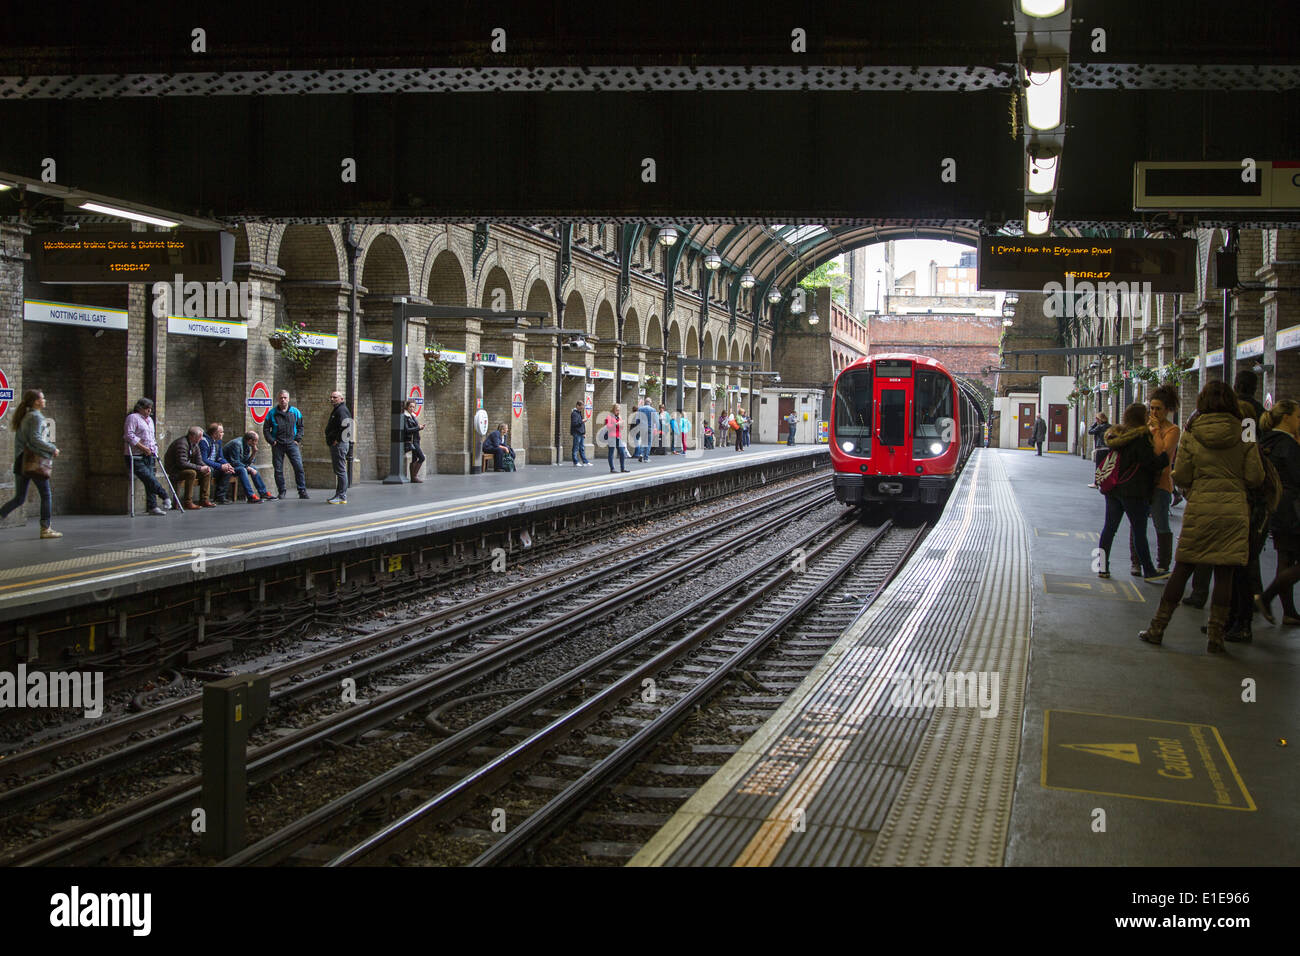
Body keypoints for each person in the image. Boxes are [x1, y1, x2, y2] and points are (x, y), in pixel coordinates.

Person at [1138, 381, 1266, 654]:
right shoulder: (1246, 430)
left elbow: (1181, 474)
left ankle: (1157, 629)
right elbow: (1256, 476)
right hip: (1234, 510)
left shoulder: (1192, 430)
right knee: (1224, 572)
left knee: (1183, 568)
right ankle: (1216, 638)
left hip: (1200, 507)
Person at [1096, 403, 1168, 583]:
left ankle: (1103, 567)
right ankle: (1149, 570)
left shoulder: (1117, 435)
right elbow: (1150, 462)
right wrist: (1165, 458)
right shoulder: (1141, 437)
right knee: (1139, 531)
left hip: (1113, 489)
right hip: (1134, 491)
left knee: (1109, 528)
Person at [1256, 400, 1300, 626]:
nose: (1299, 421)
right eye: (1298, 417)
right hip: (1293, 509)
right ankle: (1266, 597)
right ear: (1286, 417)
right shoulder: (1288, 445)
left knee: (1285, 558)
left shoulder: (1267, 441)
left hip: (1276, 507)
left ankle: (1290, 612)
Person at [1127, 388, 1180, 575]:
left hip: (1161, 483)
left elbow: (1160, 452)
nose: (1154, 412)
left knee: (1161, 523)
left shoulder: (1173, 430)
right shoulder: (1144, 427)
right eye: (1152, 408)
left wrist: (1155, 430)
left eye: (1158, 409)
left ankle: (1163, 563)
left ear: (1167, 410)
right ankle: (1136, 561)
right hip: (1142, 482)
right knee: (1137, 523)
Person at [0, 389, 62, 538]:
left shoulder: (26, 416)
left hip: (21, 462)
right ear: (36, 401)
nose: (44, 400)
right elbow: (35, 439)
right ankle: (45, 528)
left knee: (20, 498)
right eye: (42, 398)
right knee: (46, 495)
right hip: (33, 463)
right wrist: (52, 448)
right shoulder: (36, 417)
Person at [124, 397, 171, 516]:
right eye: (146, 408)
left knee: (149, 479)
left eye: (150, 409)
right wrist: (142, 448)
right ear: (140, 408)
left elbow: (151, 437)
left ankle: (153, 506)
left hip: (149, 455)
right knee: (148, 478)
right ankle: (164, 495)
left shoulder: (150, 420)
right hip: (136, 455)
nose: (149, 411)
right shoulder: (133, 418)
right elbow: (129, 435)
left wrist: (154, 448)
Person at [263, 389, 308, 499]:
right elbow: (266, 429)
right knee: (278, 469)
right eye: (281, 398)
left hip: (292, 444)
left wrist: (297, 439)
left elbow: (301, 427)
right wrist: (271, 441)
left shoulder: (295, 412)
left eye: (285, 398)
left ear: (288, 399)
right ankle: (281, 491)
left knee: (299, 467)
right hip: (278, 444)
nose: (283, 400)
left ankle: (302, 490)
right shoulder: (272, 413)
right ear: (278, 399)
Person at [165, 426, 215, 509]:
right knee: (191, 473)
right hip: (175, 470)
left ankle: (204, 500)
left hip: (186, 468)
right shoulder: (182, 444)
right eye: (200, 437)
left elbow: (199, 461)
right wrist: (199, 468)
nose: (201, 439)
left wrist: (205, 467)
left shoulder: (195, 444)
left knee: (206, 472)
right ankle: (188, 502)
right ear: (192, 436)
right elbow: (181, 463)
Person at [223, 431, 269, 503]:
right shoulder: (237, 444)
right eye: (256, 441)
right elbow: (235, 462)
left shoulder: (247, 445)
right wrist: (248, 468)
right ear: (250, 440)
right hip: (228, 466)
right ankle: (250, 496)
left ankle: (263, 493)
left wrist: (254, 452)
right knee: (243, 470)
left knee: (254, 468)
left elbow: (247, 462)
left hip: (237, 466)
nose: (256, 443)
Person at [325, 390, 352, 504]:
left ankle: (342, 495)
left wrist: (337, 440)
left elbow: (346, 426)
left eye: (335, 397)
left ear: (341, 399)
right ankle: (339, 494)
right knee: (339, 470)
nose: (332, 399)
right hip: (338, 444)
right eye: (331, 397)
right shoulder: (338, 410)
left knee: (340, 470)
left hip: (339, 445)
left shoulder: (341, 410)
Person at [200, 423, 237, 504]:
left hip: (214, 465)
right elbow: (204, 459)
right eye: (221, 432)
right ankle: (204, 498)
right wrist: (220, 466)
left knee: (227, 471)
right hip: (204, 466)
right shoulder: (203, 441)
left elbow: (220, 457)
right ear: (215, 433)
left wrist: (227, 465)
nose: (223, 434)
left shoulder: (218, 442)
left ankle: (220, 496)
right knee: (211, 470)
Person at [402, 400, 426, 482]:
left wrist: (420, 427)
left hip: (416, 440)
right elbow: (407, 430)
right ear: (407, 407)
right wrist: (418, 427)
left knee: (414, 459)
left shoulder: (412, 416)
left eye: (413, 407)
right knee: (422, 457)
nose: (412, 408)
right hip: (412, 441)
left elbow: (414, 428)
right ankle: (414, 476)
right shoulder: (405, 417)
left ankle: (413, 478)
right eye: (410, 406)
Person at [1086, 412, 1109, 488]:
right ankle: (1105, 482)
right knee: (1106, 466)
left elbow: (1090, 431)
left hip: (1101, 449)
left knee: (1098, 466)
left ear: (1099, 419)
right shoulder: (1110, 426)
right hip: (1108, 449)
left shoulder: (1100, 427)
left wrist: (1095, 424)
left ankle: (1096, 483)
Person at [604, 404, 628, 473]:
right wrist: (617, 424)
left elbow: (621, 428)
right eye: (617, 410)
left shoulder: (619, 417)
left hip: (618, 436)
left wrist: (621, 424)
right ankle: (612, 468)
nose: (618, 411)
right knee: (611, 452)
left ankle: (622, 468)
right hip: (611, 436)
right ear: (613, 409)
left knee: (622, 452)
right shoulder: (609, 417)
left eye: (619, 410)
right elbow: (608, 427)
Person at [570, 399, 590, 466]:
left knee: (581, 448)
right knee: (576, 448)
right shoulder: (574, 414)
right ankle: (575, 462)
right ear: (577, 406)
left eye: (582, 407)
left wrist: (584, 433)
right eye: (581, 407)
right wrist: (582, 421)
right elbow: (574, 424)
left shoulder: (579, 413)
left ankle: (585, 461)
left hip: (581, 433)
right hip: (576, 433)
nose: (582, 409)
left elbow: (581, 425)